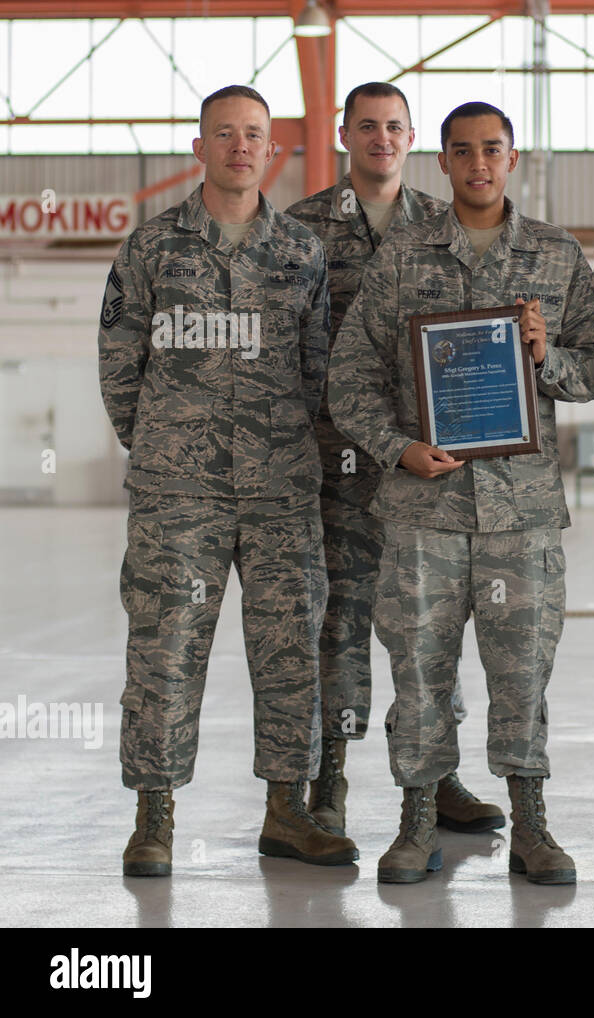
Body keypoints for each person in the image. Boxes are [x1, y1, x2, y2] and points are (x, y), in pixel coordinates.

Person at [328, 101, 594, 885]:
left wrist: (547, 355)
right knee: (418, 668)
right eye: (463, 153)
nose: (478, 165)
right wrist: (398, 449)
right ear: (444, 164)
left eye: (492, 150)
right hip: (425, 508)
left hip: (520, 513)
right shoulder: (401, 258)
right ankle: (416, 822)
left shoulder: (555, 255)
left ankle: (532, 825)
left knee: (522, 670)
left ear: (513, 159)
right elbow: (348, 375)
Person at [98, 84, 357, 876]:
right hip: (180, 494)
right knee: (165, 650)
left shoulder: (301, 253)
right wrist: (165, 453)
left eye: (254, 134)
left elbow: (320, 374)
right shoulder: (152, 249)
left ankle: (288, 810)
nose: (240, 147)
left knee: (289, 651)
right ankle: (154, 818)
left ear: (270, 150)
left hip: (282, 488)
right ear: (199, 146)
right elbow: (119, 368)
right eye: (224, 134)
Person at [287, 82, 503, 839]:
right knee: (338, 626)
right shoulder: (301, 230)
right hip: (333, 466)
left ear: (414, 140)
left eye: (395, 127)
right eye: (368, 126)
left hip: (428, 466)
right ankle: (330, 785)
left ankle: (438, 778)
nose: (382, 138)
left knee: (431, 627)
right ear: (345, 134)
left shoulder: (444, 226)